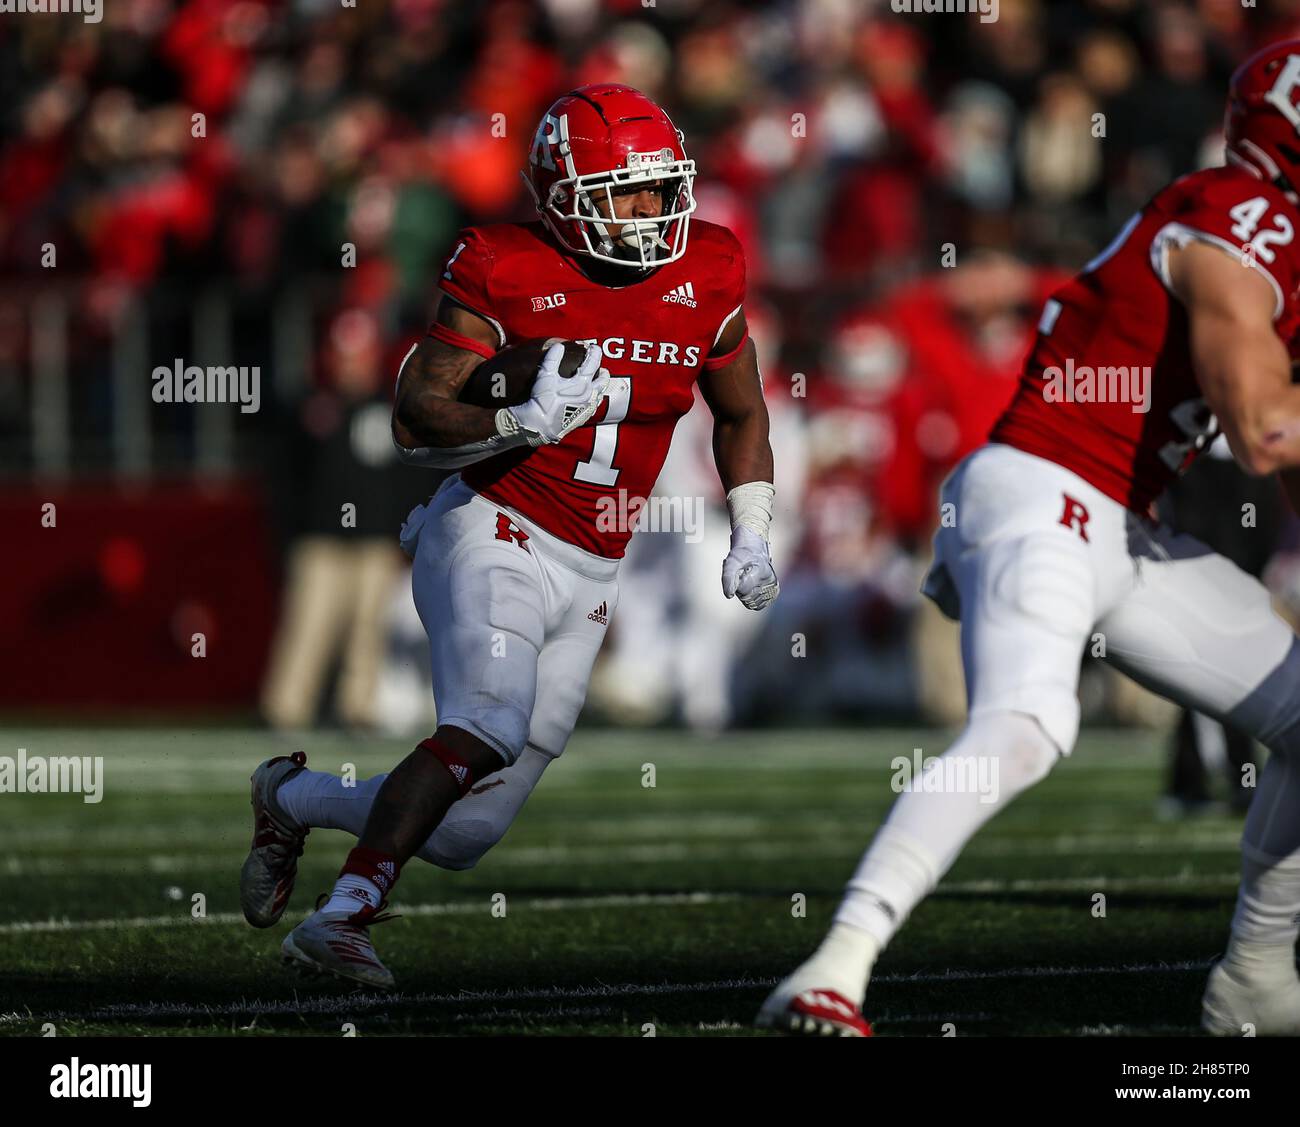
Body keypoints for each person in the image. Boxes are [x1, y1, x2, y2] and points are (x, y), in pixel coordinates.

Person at [758, 40, 1300, 1037]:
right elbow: (1264, 427)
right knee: (1028, 725)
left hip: (1122, 523)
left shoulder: (1263, 229)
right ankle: (836, 960)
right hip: (1046, 484)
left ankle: (1255, 985)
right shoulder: (1243, 217)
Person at [240, 83, 779, 988]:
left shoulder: (711, 267)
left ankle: (289, 797)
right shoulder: (506, 264)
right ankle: (343, 915)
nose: (653, 211)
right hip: (496, 523)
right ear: (564, 196)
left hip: (598, 561)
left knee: (464, 833)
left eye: (662, 186)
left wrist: (753, 527)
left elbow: (741, 411)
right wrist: (521, 417)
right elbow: (415, 417)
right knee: (486, 721)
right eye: (627, 192)